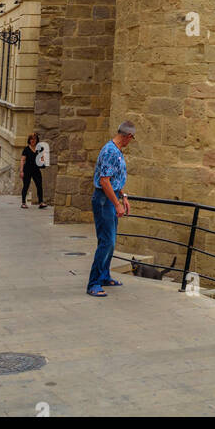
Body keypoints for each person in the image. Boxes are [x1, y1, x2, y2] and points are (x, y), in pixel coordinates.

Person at [87, 121, 135, 297]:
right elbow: (104, 181)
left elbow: (115, 178)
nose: (130, 141)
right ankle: (94, 283)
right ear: (127, 136)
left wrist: (124, 197)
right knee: (106, 241)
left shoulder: (117, 151)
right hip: (103, 200)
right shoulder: (110, 151)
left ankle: (105, 276)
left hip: (111, 197)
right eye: (131, 138)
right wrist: (116, 204)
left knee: (111, 241)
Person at [20, 132, 47, 209]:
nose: (33, 140)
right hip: (27, 170)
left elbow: (42, 158)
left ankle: (41, 202)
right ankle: (23, 203)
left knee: (39, 186)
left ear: (37, 140)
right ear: (29, 140)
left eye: (34, 139)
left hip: (36, 170)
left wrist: (42, 161)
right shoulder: (26, 149)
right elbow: (22, 160)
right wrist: (21, 171)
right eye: (31, 139)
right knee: (26, 186)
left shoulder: (40, 149)